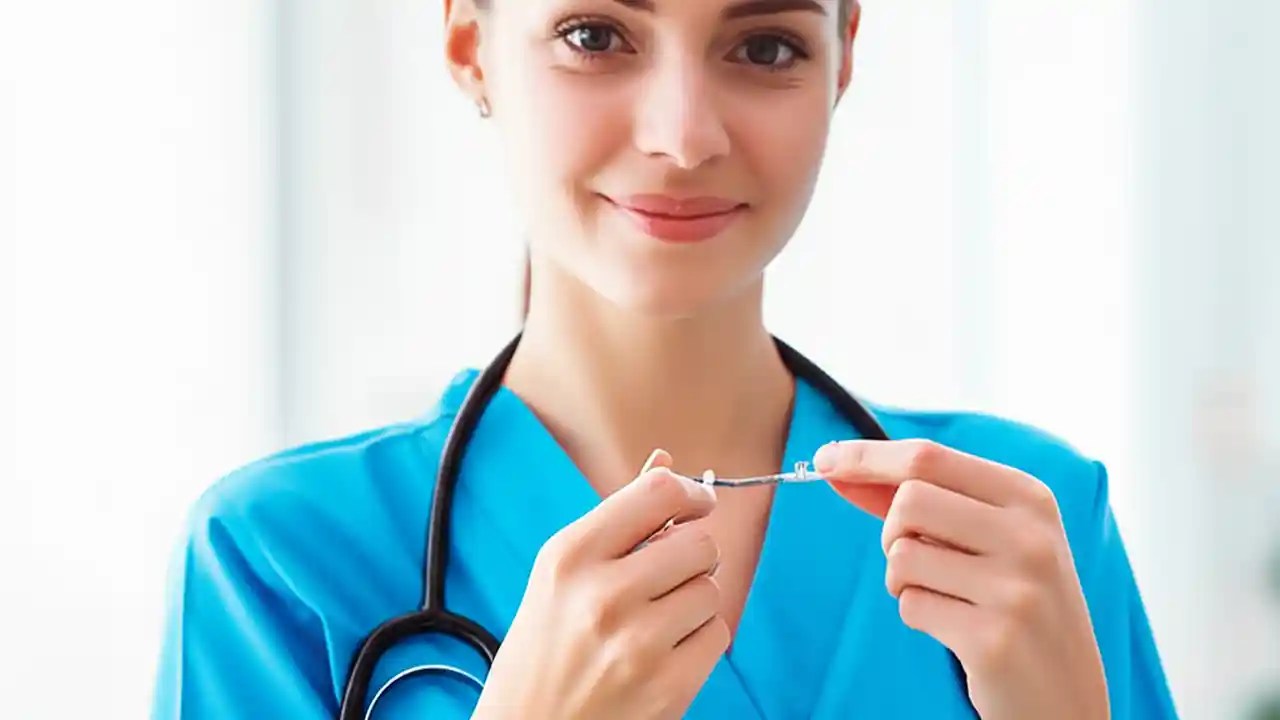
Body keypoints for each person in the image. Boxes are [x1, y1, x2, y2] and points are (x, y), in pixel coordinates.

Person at [151, 0, 1178, 717]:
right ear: (471, 48)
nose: (682, 137)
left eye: (764, 47)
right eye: (594, 36)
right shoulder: (279, 563)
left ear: (842, 60)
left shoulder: (1028, 528)